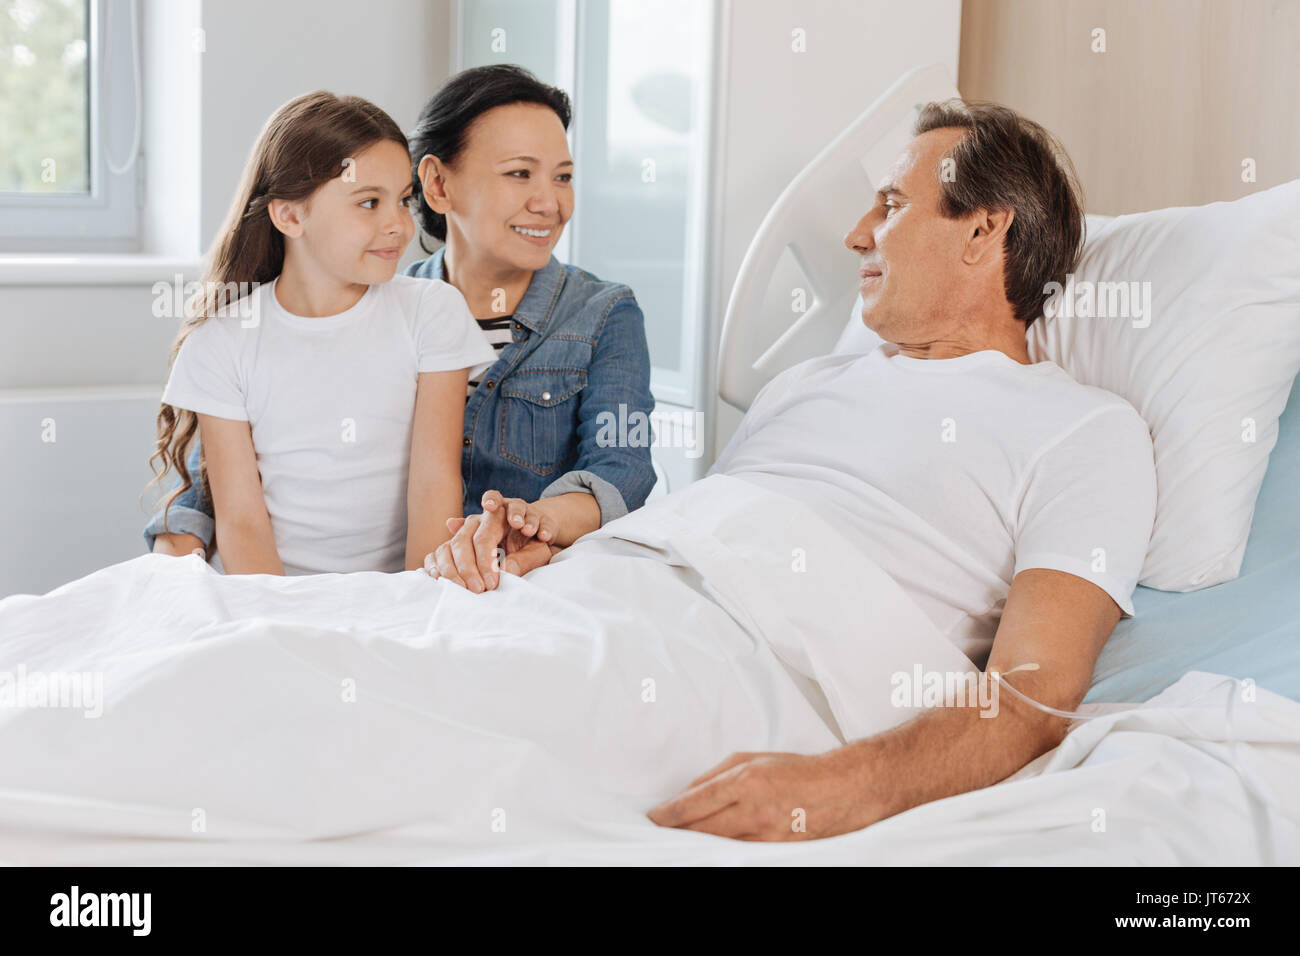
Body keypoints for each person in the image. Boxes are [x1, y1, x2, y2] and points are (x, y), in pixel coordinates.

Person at [645, 100, 1157, 839]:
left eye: (889, 205)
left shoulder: (1087, 432)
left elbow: (1032, 698)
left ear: (984, 229)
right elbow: (696, 547)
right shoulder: (802, 383)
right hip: (605, 605)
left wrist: (839, 786)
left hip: (735, 680)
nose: (857, 236)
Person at [144, 66, 657, 581]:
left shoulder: (600, 312)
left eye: (563, 177)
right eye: (519, 173)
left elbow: (622, 467)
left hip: (497, 578)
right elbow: (225, 483)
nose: (549, 203)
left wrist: (538, 521)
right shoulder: (362, 294)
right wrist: (176, 566)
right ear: (437, 184)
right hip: (358, 588)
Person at [147, 91, 497, 574]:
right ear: (290, 216)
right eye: (369, 202)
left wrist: (414, 607)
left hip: (402, 593)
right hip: (275, 596)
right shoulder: (221, 343)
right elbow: (240, 520)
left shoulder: (431, 311)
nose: (398, 224)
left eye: (402, 201)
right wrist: (282, 629)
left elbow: (436, 482)